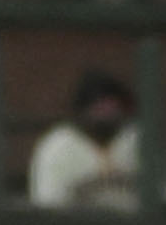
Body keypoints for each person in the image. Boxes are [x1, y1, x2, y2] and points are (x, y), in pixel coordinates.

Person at [28, 72, 144, 212]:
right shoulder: (57, 146)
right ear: (82, 110)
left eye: (113, 106)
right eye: (100, 106)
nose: (108, 113)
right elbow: (47, 204)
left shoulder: (137, 141)